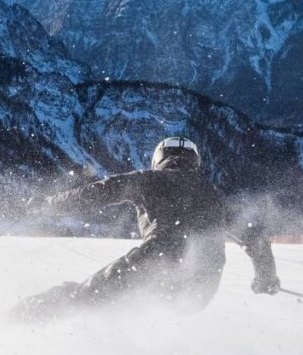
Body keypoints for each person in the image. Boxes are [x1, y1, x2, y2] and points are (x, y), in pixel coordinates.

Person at [16, 136, 280, 318]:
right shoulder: (216, 195)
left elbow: (95, 194)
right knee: (137, 308)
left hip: (156, 261)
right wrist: (266, 277)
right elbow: (255, 237)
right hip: (203, 284)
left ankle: (17, 319)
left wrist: (48, 205)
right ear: (195, 162)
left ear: (159, 159)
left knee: (84, 297)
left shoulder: (147, 180)